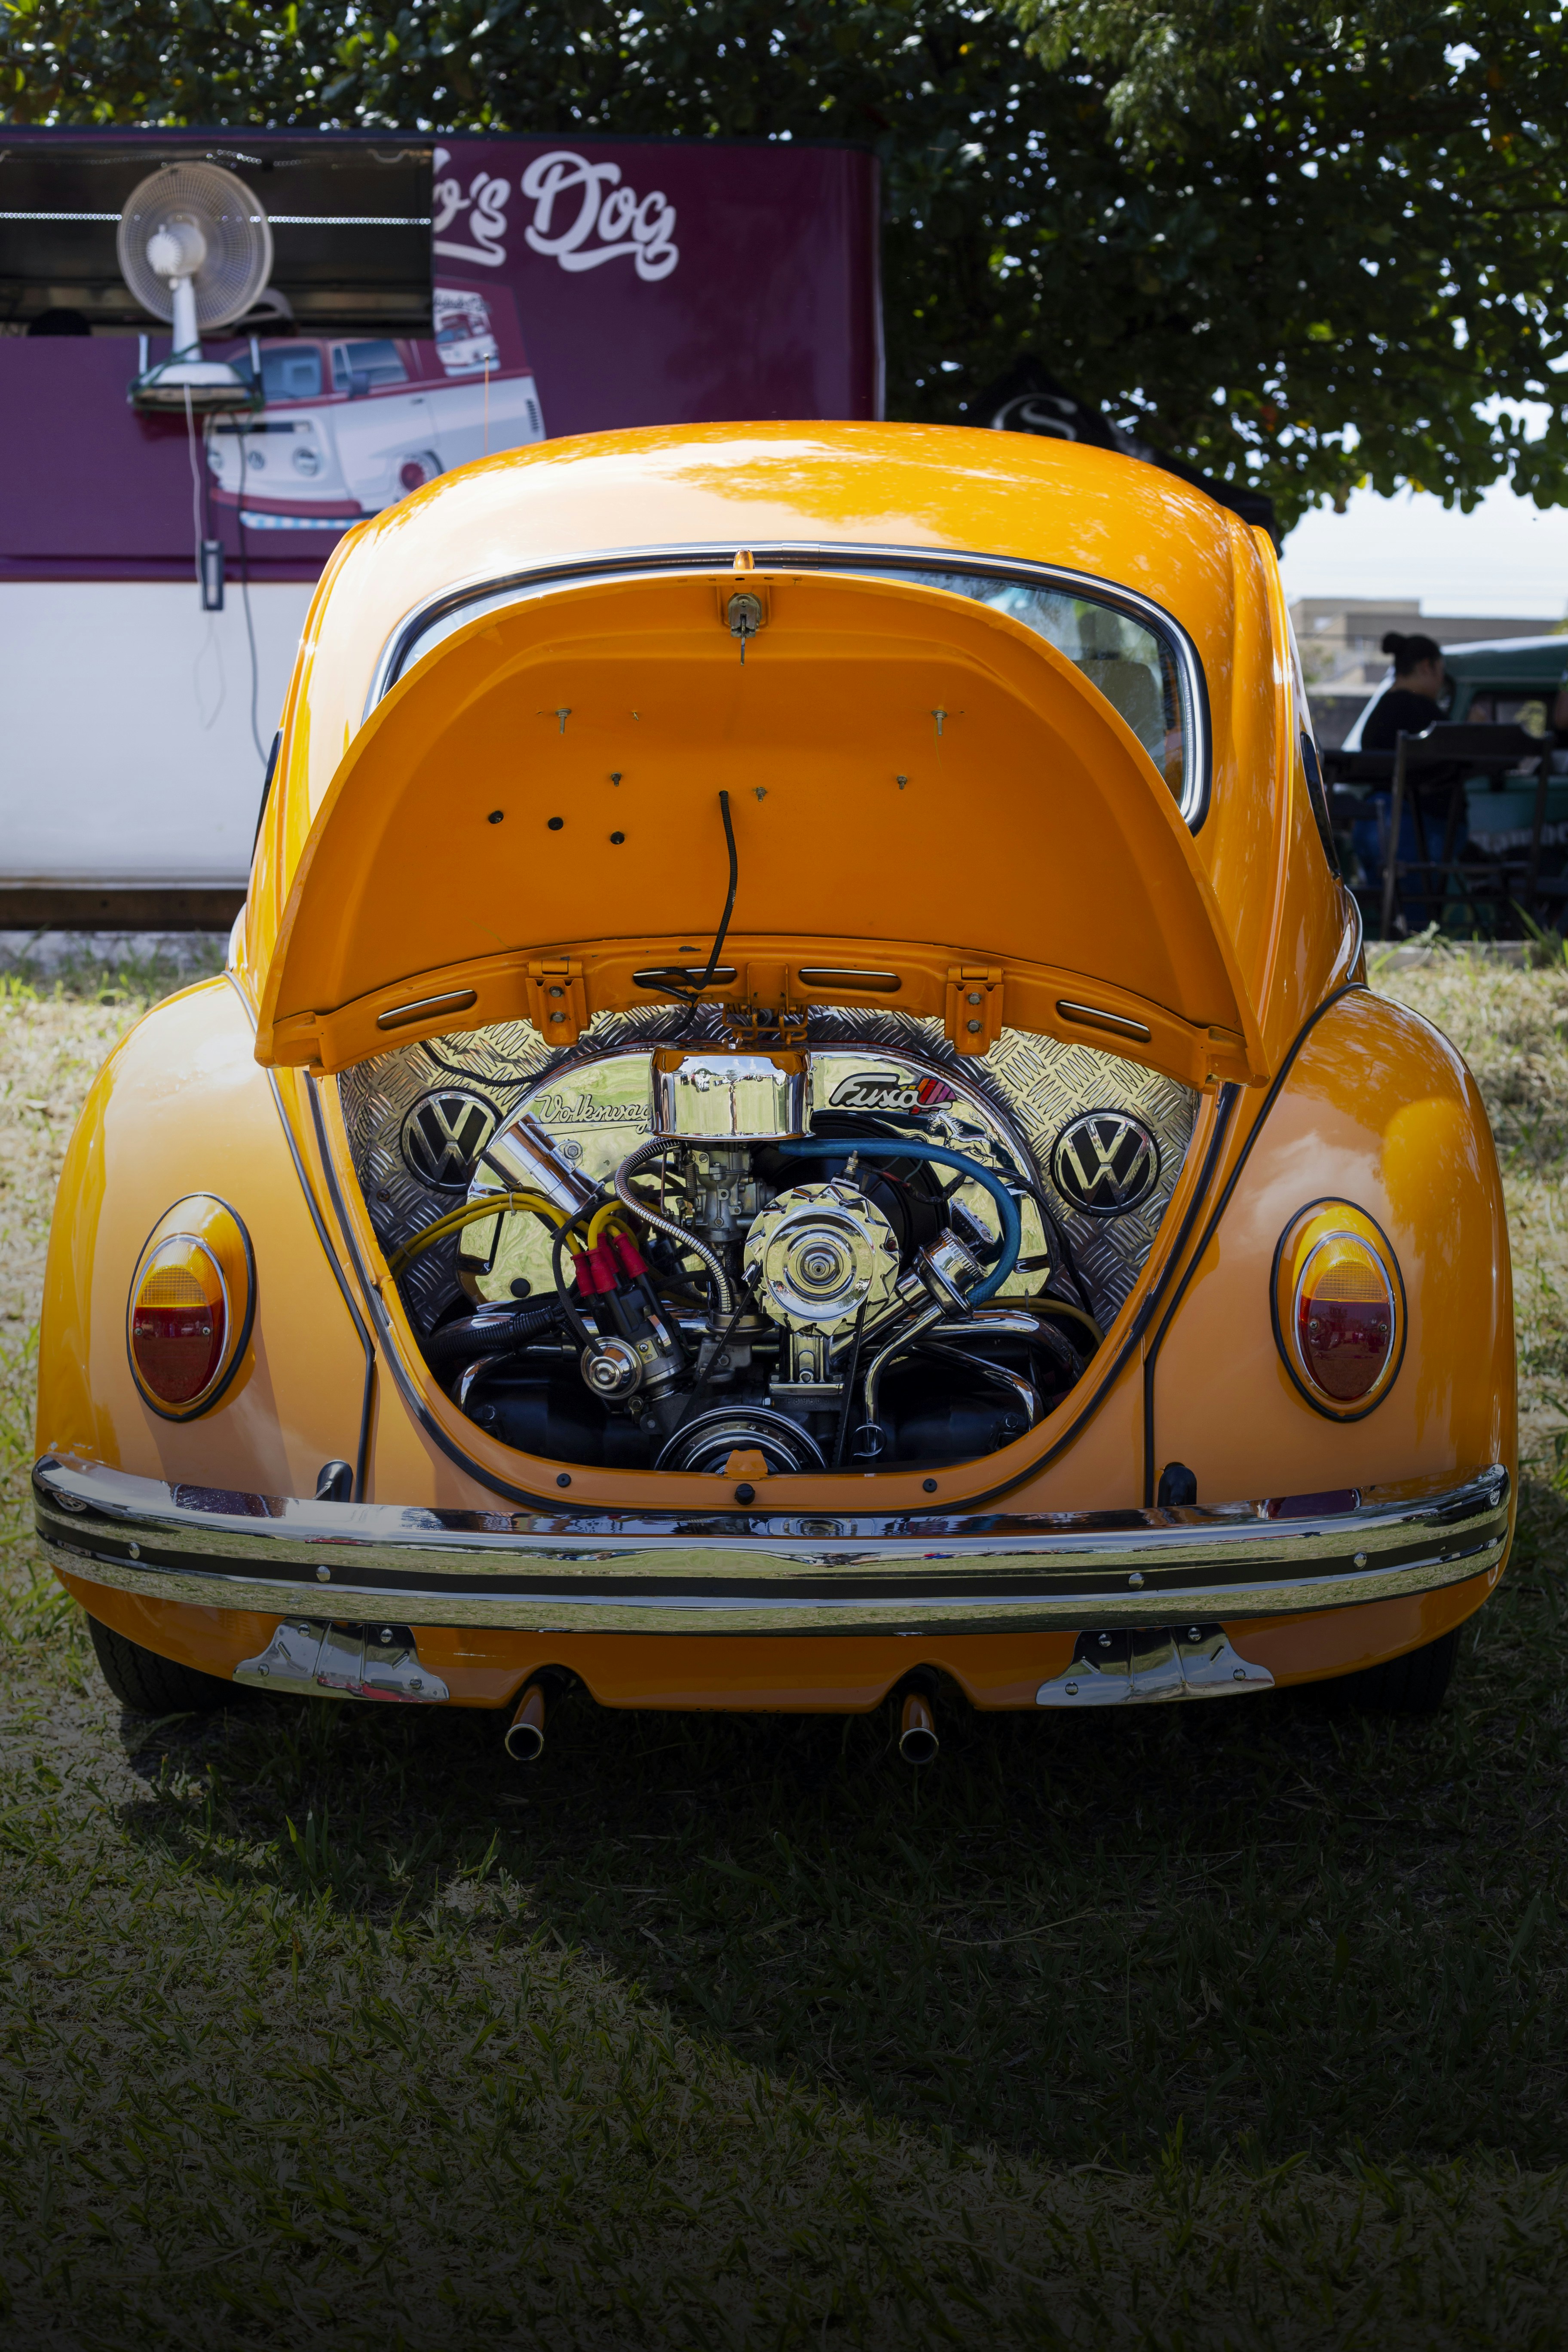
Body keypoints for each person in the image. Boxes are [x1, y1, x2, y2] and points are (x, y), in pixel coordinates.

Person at [1361, 631, 1446, 750]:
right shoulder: (1422, 712)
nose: (1442, 681)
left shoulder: (1382, 706)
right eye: (1442, 670)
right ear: (1426, 667)